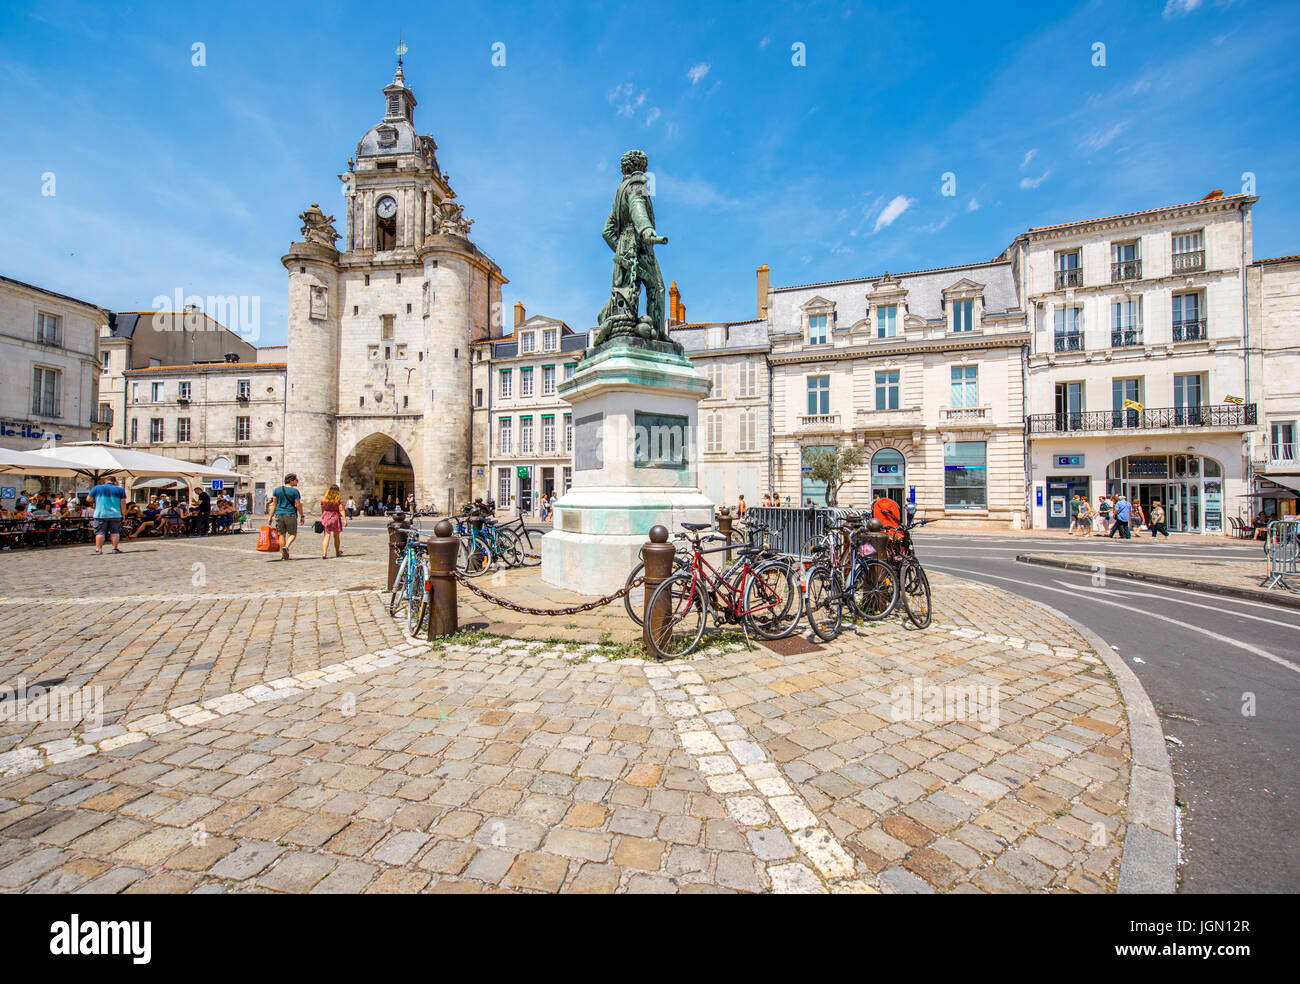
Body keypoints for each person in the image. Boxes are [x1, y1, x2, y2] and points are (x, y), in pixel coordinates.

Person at [268, 474, 304, 560]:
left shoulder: (277, 490)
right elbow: (298, 504)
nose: (297, 482)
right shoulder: (295, 491)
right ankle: (286, 547)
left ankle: (284, 555)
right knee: (293, 533)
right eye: (296, 480)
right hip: (290, 514)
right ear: (291, 480)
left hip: (278, 514)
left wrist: (270, 517)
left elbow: (274, 505)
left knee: (281, 534)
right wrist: (302, 515)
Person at [89, 475, 126, 554]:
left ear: (105, 480)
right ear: (115, 481)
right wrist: (123, 513)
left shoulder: (97, 488)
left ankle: (99, 549)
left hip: (100, 513)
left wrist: (96, 500)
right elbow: (123, 502)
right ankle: (115, 548)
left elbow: (88, 499)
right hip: (116, 514)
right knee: (115, 532)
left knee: (100, 532)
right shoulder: (120, 489)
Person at [319, 484, 346, 559]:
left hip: (326, 516)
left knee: (326, 536)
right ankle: (337, 552)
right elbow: (341, 510)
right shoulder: (338, 500)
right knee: (336, 536)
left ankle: (324, 553)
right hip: (335, 517)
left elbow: (323, 509)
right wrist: (344, 520)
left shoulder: (324, 499)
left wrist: (323, 516)